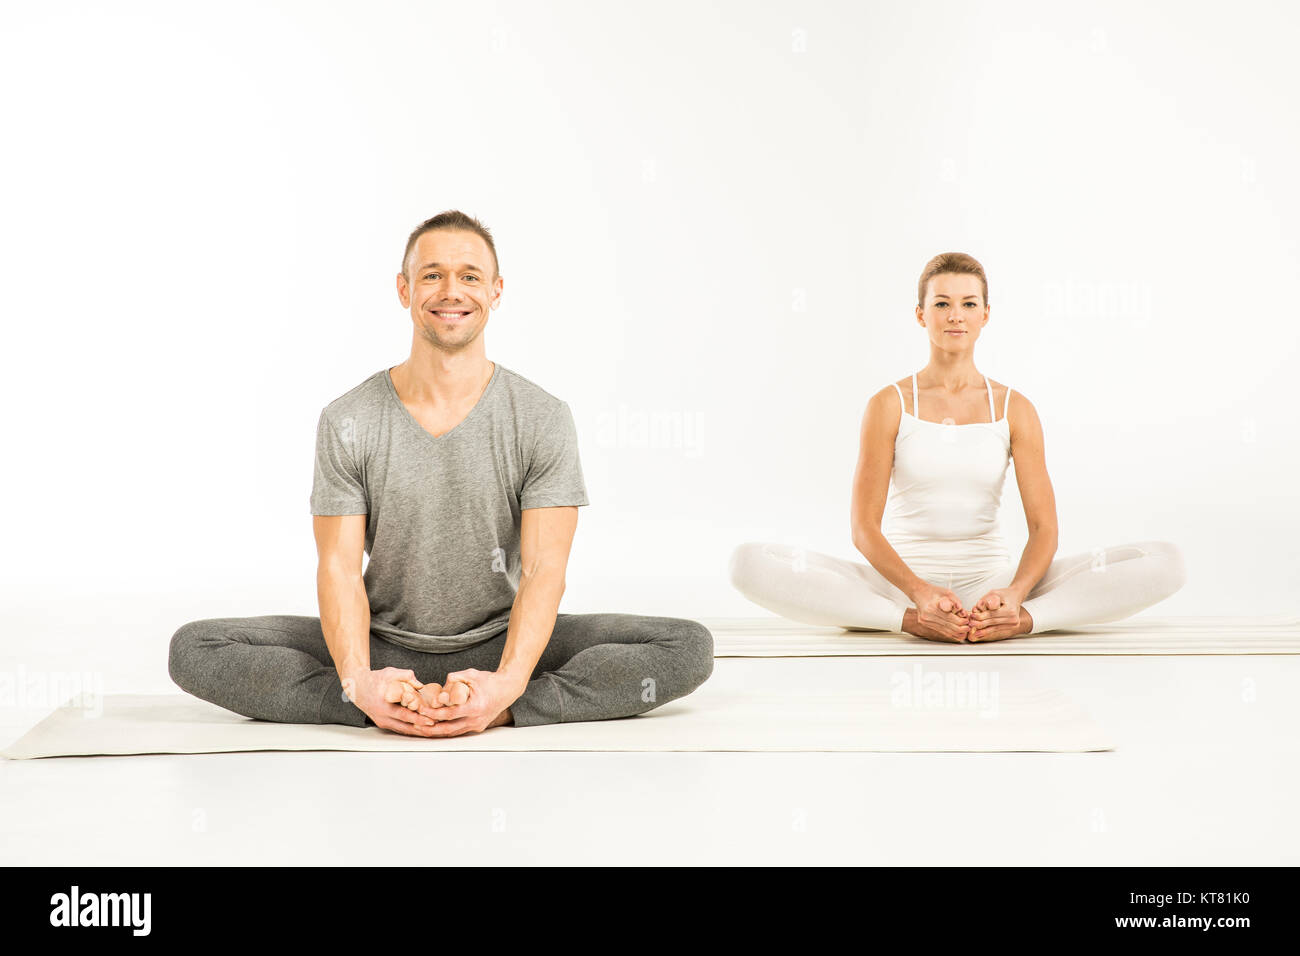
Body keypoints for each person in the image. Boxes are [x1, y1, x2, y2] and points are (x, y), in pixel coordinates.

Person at [169, 210, 713, 737]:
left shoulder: (542, 417)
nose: (451, 291)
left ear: (495, 292)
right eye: (432, 275)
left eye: (469, 276)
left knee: (687, 646)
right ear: (405, 290)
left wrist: (507, 686)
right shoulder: (348, 420)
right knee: (195, 648)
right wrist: (358, 679)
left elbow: (545, 569)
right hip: (381, 643)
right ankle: (375, 705)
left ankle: (498, 708)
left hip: (505, 642)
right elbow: (337, 568)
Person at [728, 252, 1186, 643]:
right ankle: (908, 624)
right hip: (898, 587)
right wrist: (919, 595)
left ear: (985, 314)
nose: (955, 315)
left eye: (968, 304)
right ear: (921, 314)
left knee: (1166, 562)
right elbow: (863, 528)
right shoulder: (887, 404)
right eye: (942, 303)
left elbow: (1044, 528)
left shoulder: (1015, 407)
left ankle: (1020, 624)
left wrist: (1017, 596)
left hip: (993, 587)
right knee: (746, 564)